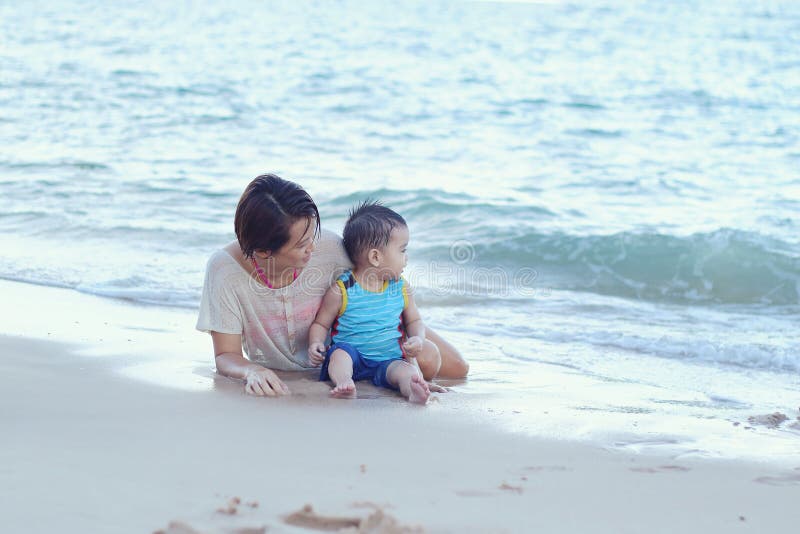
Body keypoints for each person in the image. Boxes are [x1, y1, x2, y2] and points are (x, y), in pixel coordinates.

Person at [196, 174, 468, 396]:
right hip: (341, 362)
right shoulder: (224, 271)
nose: (313, 247)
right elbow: (226, 355)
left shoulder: (328, 247)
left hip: (368, 338)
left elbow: (376, 284)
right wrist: (251, 370)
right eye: (302, 244)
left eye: (313, 233)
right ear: (265, 251)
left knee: (456, 368)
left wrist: (411, 345)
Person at [308, 202, 430, 403]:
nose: (406, 259)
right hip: (352, 358)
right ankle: (344, 382)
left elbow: (414, 321)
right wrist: (315, 343)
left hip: (388, 360)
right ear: (375, 257)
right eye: (402, 250)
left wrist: (418, 339)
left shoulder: (401, 288)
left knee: (405, 371)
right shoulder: (342, 290)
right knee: (339, 354)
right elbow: (321, 324)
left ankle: (413, 390)